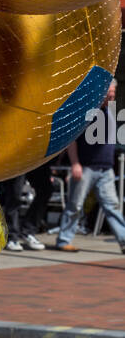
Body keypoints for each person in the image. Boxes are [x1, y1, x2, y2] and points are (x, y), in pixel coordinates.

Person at [56, 79, 125, 252]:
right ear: (100, 92)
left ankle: (123, 240)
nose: (112, 94)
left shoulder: (109, 111)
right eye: (109, 91)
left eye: (114, 91)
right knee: (75, 205)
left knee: (112, 206)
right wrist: (75, 164)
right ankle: (64, 240)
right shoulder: (87, 112)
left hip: (105, 168)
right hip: (86, 167)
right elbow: (72, 140)